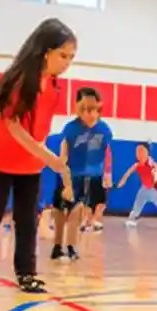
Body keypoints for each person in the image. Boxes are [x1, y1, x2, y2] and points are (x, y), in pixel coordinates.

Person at [0, 18, 75, 293]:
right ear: (45, 50)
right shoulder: (20, 81)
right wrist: (46, 156)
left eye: (71, 57)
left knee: (28, 218)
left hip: (30, 163)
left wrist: (47, 156)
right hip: (1, 157)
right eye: (63, 55)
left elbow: (40, 131)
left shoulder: (53, 87)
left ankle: (26, 273)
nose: (67, 62)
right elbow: (13, 125)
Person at [51, 86, 113, 261]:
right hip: (67, 174)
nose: (89, 114)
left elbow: (107, 152)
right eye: (84, 109)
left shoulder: (104, 129)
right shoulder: (70, 129)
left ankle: (71, 246)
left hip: (87, 177)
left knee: (76, 212)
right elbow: (63, 156)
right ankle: (57, 246)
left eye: (93, 109)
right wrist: (66, 183)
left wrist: (108, 173)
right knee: (60, 212)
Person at [118, 142, 157, 225]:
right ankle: (132, 219)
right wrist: (122, 182)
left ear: (147, 152)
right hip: (144, 189)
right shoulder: (137, 165)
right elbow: (128, 173)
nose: (139, 154)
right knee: (137, 205)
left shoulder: (152, 163)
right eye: (137, 152)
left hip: (152, 190)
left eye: (141, 151)